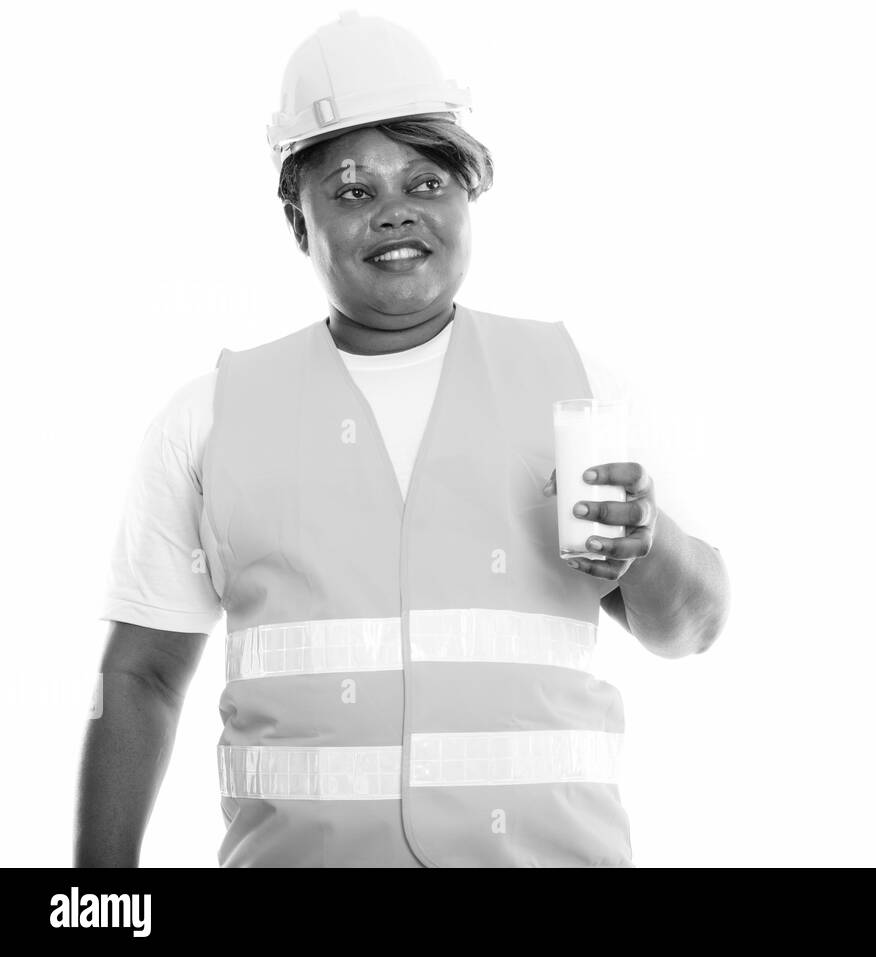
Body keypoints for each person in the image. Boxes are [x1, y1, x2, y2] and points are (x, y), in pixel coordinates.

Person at [75, 11, 730, 868]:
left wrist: (648, 549)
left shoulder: (582, 394)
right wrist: (92, 905)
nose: (395, 213)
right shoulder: (209, 418)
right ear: (296, 219)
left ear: (468, 195)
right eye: (352, 191)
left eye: (427, 183)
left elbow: (692, 630)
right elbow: (141, 678)